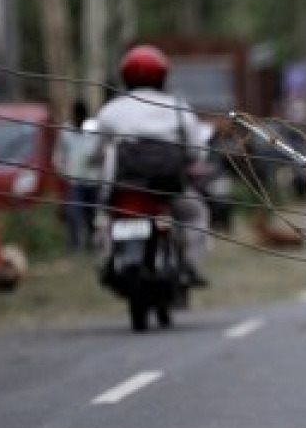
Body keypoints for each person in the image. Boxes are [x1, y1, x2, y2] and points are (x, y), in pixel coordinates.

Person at [94, 44, 210, 287]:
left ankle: (106, 259)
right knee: (197, 214)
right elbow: (195, 150)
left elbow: (98, 149)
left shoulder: (110, 111)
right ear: (162, 75)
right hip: (167, 189)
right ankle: (190, 265)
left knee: (103, 217)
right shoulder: (177, 107)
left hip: (123, 189)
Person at [53, 99, 103, 253]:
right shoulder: (65, 132)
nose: (79, 121)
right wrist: (63, 171)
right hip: (74, 181)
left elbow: (103, 151)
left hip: (94, 180)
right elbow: (58, 156)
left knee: (92, 215)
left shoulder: (94, 130)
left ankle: (92, 244)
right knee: (73, 213)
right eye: (77, 117)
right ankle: (74, 245)